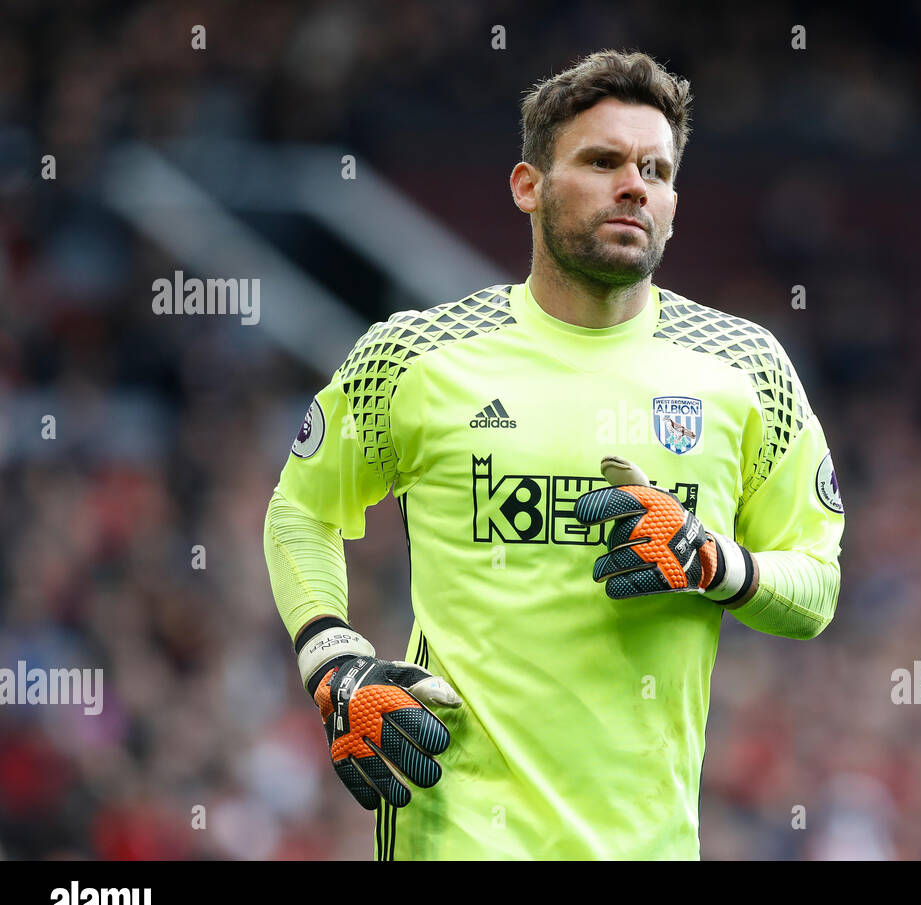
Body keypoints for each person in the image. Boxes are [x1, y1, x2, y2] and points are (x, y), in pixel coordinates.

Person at [263, 49, 844, 860]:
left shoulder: (746, 369)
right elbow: (301, 510)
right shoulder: (415, 356)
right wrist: (331, 658)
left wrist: (716, 562)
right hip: (456, 839)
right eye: (603, 161)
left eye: (655, 170)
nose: (634, 185)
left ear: (674, 203)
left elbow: (816, 584)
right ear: (528, 185)